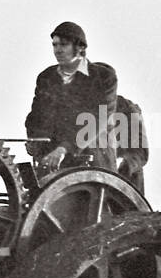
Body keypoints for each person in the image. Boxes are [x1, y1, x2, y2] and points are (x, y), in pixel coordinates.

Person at [25, 21, 118, 176]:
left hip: (94, 164)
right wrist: (35, 141)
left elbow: (97, 119)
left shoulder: (103, 77)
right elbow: (36, 117)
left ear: (80, 47)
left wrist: (64, 148)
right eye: (54, 45)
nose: (58, 50)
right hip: (53, 165)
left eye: (64, 45)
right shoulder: (46, 77)